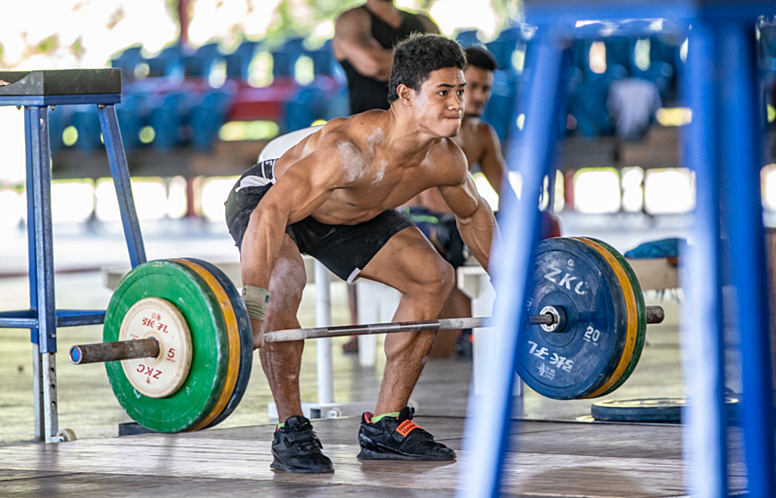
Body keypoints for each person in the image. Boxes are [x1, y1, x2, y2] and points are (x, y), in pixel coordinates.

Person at [224, 34, 497, 473]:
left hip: (348, 215)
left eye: (460, 91)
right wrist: (254, 307)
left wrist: (514, 288)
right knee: (286, 281)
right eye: (443, 92)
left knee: (433, 277)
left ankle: (387, 425)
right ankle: (290, 428)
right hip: (267, 201)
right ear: (406, 95)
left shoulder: (445, 159)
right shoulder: (348, 150)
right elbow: (271, 214)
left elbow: (475, 218)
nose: (456, 104)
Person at [400, 46, 561, 358]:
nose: (477, 96)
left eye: (485, 88)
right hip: (420, 221)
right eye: (469, 87)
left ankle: (545, 306)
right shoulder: (429, 127)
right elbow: (441, 201)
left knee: (543, 222)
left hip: (458, 223)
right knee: (452, 231)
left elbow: (509, 198)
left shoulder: (482, 134)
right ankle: (467, 329)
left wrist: (534, 220)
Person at [333, 1, 438, 352]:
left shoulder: (420, 19)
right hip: (365, 139)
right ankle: (356, 325)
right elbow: (369, 63)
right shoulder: (353, 19)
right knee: (353, 218)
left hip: (415, 134)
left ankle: (425, 320)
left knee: (428, 216)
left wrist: (395, 63)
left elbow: (442, 70)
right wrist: (418, 65)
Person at [333, 0, 438, 115]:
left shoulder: (423, 21)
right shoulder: (351, 19)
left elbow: (447, 67)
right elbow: (374, 64)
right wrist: (428, 64)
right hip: (371, 126)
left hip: (423, 124)